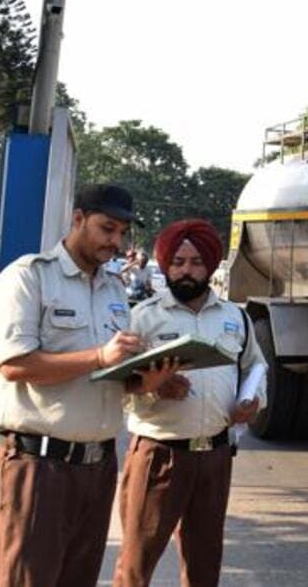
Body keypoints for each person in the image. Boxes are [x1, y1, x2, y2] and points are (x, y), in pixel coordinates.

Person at [0, 184, 181, 587]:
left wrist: (147, 382)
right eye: (106, 229)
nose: (116, 241)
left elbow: (107, 377)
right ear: (77, 219)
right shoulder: (29, 277)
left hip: (97, 467)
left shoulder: (111, 288)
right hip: (37, 467)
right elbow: (14, 364)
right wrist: (99, 356)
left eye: (122, 232)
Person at [114, 219, 267, 587]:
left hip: (214, 458)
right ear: (165, 264)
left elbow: (255, 365)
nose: (186, 270)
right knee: (137, 563)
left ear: (210, 265)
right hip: (159, 456)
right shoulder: (142, 317)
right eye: (178, 261)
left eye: (196, 262)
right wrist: (154, 387)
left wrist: (253, 401)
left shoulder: (236, 318)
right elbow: (118, 384)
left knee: (204, 563)